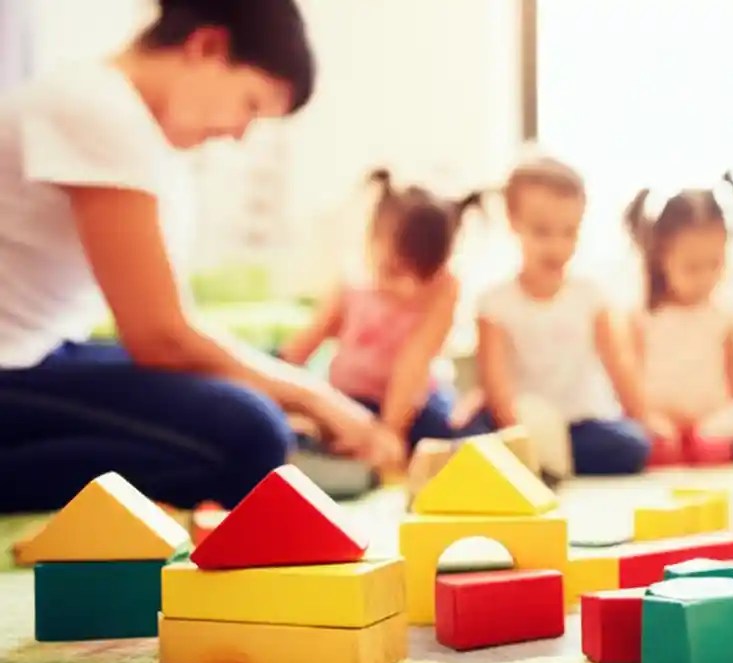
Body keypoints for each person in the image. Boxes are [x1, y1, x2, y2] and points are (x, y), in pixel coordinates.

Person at [0, 0, 402, 512]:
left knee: (252, 414)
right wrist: (316, 399)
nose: (238, 133)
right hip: (12, 369)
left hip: (43, 352)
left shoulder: (131, 126)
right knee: (249, 433)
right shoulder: (97, 107)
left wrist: (295, 395)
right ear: (207, 47)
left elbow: (172, 333)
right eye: (250, 105)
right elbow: (160, 337)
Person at [280, 170, 481, 456]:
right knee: (305, 430)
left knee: (446, 434)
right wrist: (279, 392)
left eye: (425, 276)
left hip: (412, 404)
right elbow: (306, 343)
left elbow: (413, 364)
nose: (409, 289)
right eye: (395, 271)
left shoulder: (445, 289)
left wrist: (390, 431)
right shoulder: (352, 283)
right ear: (371, 240)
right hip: (349, 398)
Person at [475, 155, 651, 478]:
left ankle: (550, 464)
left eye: (569, 232)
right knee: (474, 436)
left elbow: (619, 365)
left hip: (580, 425)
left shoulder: (590, 295)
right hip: (519, 425)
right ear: (513, 222)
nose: (557, 246)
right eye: (542, 232)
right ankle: (537, 460)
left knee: (632, 445)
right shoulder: (494, 304)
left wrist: (646, 418)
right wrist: (517, 431)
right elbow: (496, 382)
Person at [625, 175, 733, 466]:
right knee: (636, 436)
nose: (705, 278)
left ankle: (703, 442)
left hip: (711, 421)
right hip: (661, 421)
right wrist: (652, 417)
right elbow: (629, 380)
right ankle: (686, 446)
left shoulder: (724, 316)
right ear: (661, 259)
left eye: (715, 264)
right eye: (692, 267)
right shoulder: (642, 316)